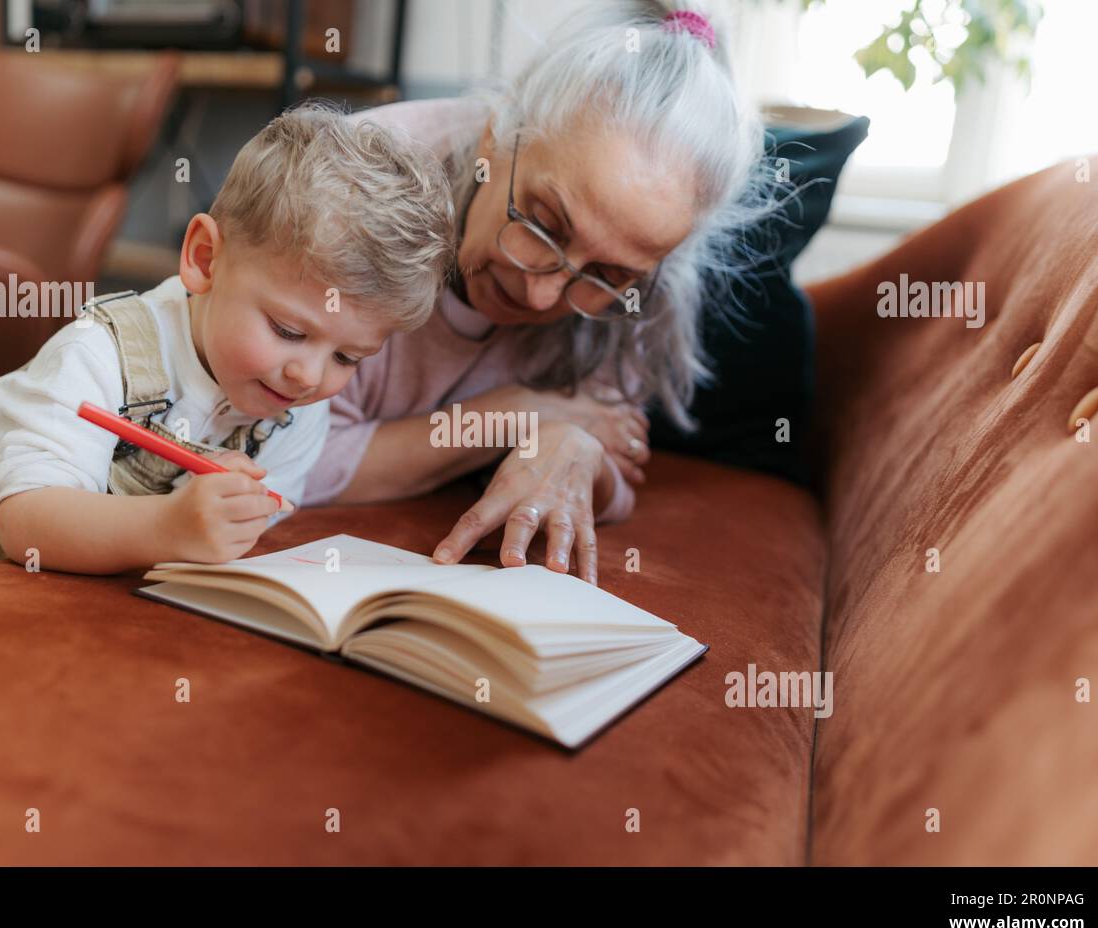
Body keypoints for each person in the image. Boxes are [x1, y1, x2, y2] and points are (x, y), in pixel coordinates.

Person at [0, 104, 456, 605]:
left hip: (78, 601)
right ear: (204, 260)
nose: (309, 375)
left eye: (349, 358)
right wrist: (168, 528)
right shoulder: (99, 352)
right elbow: (27, 523)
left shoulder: (297, 407)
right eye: (288, 331)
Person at [302, 1, 765, 587]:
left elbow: (613, 457)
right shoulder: (353, 186)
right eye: (544, 222)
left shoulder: (643, 294)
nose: (544, 296)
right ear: (499, 136)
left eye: (608, 276)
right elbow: (286, 457)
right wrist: (521, 412)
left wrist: (571, 445)